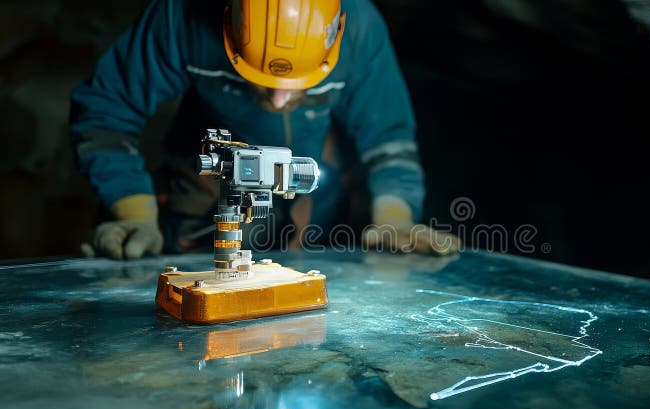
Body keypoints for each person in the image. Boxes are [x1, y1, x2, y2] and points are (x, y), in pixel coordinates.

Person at [71, 0, 457, 260]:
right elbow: (105, 113)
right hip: (203, 204)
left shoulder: (360, 27)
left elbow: (387, 138)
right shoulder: (182, 16)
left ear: (335, 34)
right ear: (228, 23)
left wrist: (393, 217)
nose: (277, 99)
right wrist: (134, 211)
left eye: (299, 82)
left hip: (318, 210)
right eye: (259, 78)